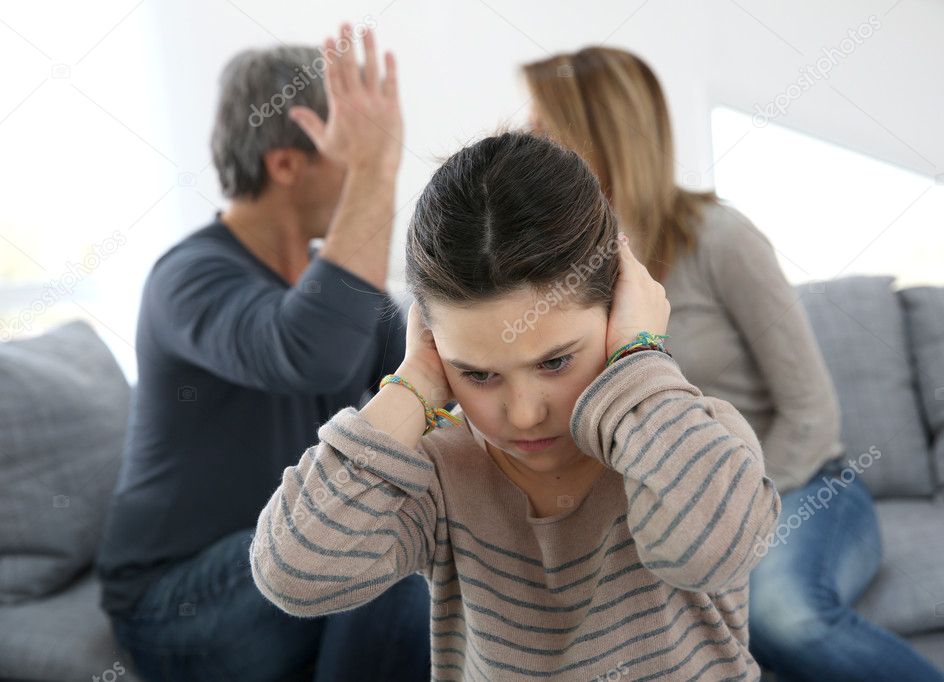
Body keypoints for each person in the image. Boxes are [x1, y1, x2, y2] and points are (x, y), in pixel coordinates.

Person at [249, 128, 781, 680]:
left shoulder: (693, 437)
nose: (524, 414)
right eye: (477, 373)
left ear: (620, 307)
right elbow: (292, 572)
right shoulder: (437, 473)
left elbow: (712, 553)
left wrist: (640, 360)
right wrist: (413, 385)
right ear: (432, 345)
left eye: (555, 362)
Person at [520, 46, 944, 681]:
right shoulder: (565, 273)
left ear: (595, 132)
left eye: (541, 124)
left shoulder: (721, 238)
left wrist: (726, 517)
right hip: (663, 507)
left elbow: (813, 411)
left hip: (802, 485)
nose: (527, 140)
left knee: (784, 616)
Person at [96, 23, 430, 681]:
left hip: (286, 561)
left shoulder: (325, 282)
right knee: (372, 549)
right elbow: (310, 350)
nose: (373, 165)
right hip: (176, 603)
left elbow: (423, 363)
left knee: (419, 530)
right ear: (285, 163)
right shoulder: (187, 278)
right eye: (350, 152)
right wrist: (375, 168)